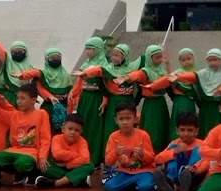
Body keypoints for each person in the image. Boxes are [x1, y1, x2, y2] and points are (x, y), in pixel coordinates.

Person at [75, 43, 141, 153]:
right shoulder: (108, 69)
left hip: (128, 101)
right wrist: (85, 73)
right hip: (114, 102)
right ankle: (110, 155)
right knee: (111, 127)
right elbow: (98, 70)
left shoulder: (132, 68)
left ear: (125, 56)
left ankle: (129, 154)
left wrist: (135, 100)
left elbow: (142, 70)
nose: (114, 58)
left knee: (129, 127)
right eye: (113, 55)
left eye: (117, 55)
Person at [0, 81, 53, 185]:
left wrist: (42, 156)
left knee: (22, 163)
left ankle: (31, 174)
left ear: (33, 100)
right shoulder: (14, 115)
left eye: (22, 98)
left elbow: (45, 137)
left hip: (32, 152)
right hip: (15, 150)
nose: (19, 101)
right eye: (18, 98)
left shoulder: (41, 114)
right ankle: (19, 174)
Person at [116, 44, 172, 151]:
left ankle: (161, 153)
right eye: (157, 57)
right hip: (151, 105)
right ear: (149, 58)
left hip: (161, 103)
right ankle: (150, 152)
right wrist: (127, 77)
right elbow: (137, 75)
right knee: (152, 129)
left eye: (160, 57)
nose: (160, 60)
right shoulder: (145, 71)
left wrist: (168, 63)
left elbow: (169, 79)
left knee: (162, 128)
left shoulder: (161, 70)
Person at [66, 36, 109, 167]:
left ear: (98, 49)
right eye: (86, 49)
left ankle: (94, 158)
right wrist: (73, 92)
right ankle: (81, 156)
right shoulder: (85, 65)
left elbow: (108, 85)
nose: (87, 51)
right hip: (85, 99)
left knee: (95, 127)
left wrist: (105, 99)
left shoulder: (105, 66)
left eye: (90, 49)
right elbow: (80, 82)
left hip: (97, 99)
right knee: (82, 126)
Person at [102, 102, 158, 191]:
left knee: (146, 188)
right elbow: (108, 161)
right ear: (116, 120)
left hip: (143, 171)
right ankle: (133, 185)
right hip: (124, 172)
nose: (124, 122)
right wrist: (116, 153)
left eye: (128, 118)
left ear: (135, 119)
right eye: (121, 119)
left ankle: (138, 184)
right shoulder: (113, 136)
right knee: (109, 187)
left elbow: (152, 159)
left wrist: (143, 154)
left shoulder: (143, 135)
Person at [152, 112, 208, 191]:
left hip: (193, 175)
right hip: (175, 177)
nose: (186, 133)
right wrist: (174, 152)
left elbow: (208, 161)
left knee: (198, 151)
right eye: (182, 130)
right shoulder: (174, 143)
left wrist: (196, 168)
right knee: (172, 151)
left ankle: (185, 189)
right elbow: (157, 159)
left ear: (196, 131)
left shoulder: (202, 144)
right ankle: (170, 187)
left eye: (190, 130)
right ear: (177, 130)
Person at [17, 48, 73, 135]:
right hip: (48, 106)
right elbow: (35, 75)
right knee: (46, 129)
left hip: (63, 106)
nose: (55, 60)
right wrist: (23, 75)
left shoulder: (65, 74)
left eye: (57, 57)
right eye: (51, 58)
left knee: (62, 131)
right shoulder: (43, 73)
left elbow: (71, 90)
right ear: (46, 60)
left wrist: (70, 96)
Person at [34, 113, 97, 189]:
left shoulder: (82, 142)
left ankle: (56, 183)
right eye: (70, 129)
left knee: (90, 166)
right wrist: (76, 155)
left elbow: (85, 159)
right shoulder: (56, 138)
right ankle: (78, 180)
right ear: (63, 128)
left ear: (81, 132)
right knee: (45, 167)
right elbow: (57, 154)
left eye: (77, 130)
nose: (73, 132)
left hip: (75, 168)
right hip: (58, 168)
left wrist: (67, 164)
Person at [191, 49, 221, 138]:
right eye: (210, 60)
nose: (212, 62)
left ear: (220, 60)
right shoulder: (202, 73)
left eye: (215, 60)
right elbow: (193, 79)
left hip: (219, 109)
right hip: (206, 108)